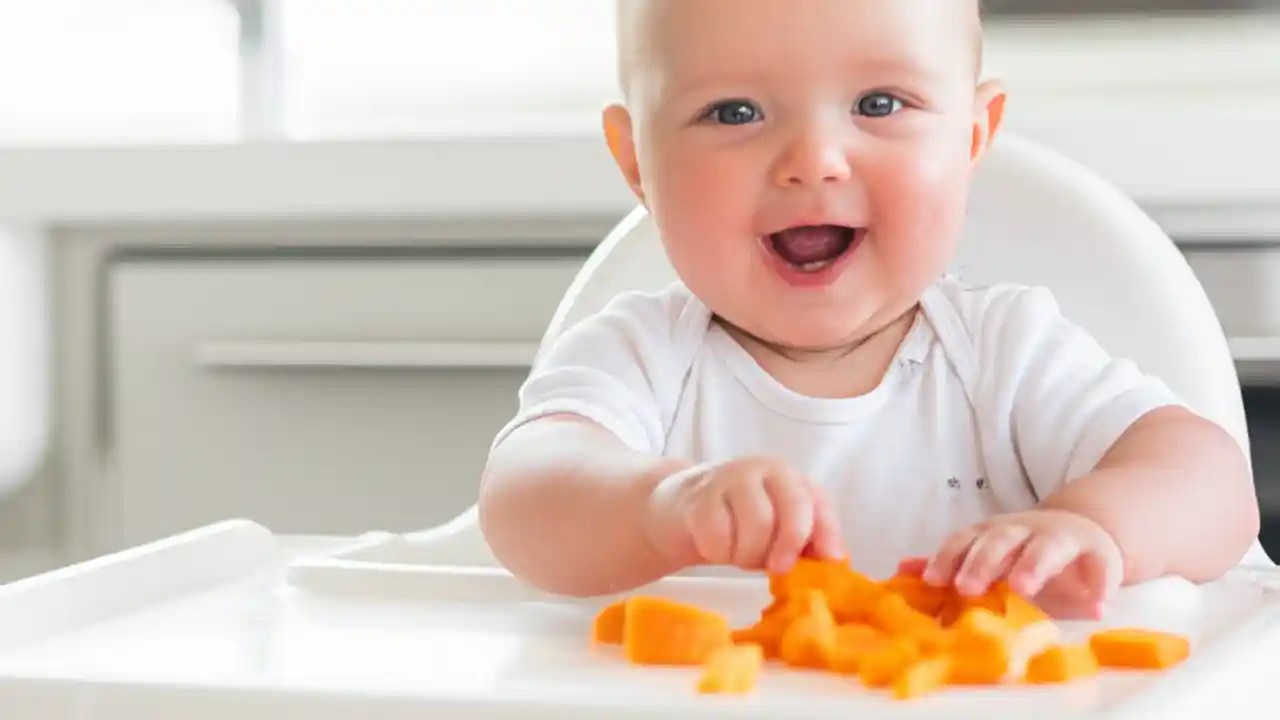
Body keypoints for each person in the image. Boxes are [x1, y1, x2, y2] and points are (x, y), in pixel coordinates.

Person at [477, 0, 1259, 619]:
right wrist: (658, 508)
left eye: (880, 102)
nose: (814, 159)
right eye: (735, 113)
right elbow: (522, 499)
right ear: (637, 160)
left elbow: (1212, 482)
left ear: (972, 137)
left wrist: (1093, 528)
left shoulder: (1003, 353)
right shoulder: (641, 358)